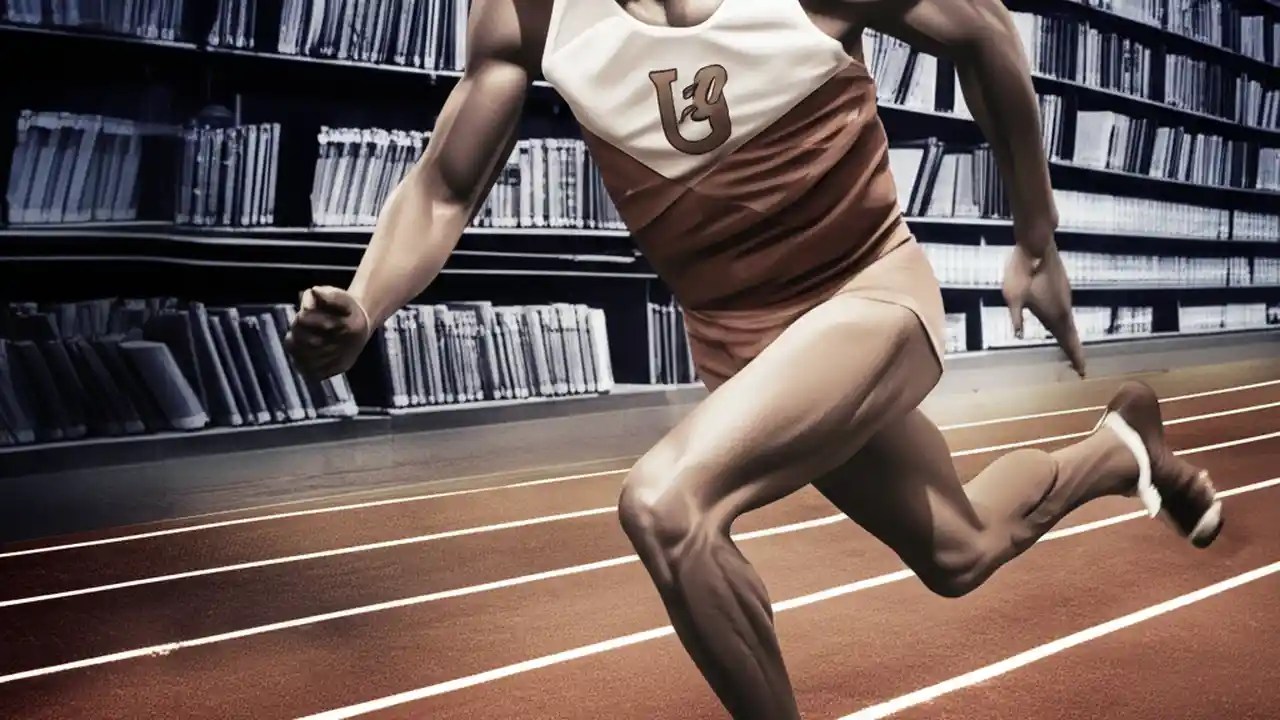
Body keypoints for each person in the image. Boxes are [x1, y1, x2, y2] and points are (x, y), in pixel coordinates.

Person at [285, 0, 1224, 716]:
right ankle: (1117, 449)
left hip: (869, 297)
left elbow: (983, 31)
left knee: (667, 503)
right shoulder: (529, 13)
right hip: (742, 347)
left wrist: (1035, 240)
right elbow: (446, 186)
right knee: (960, 548)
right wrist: (367, 303)